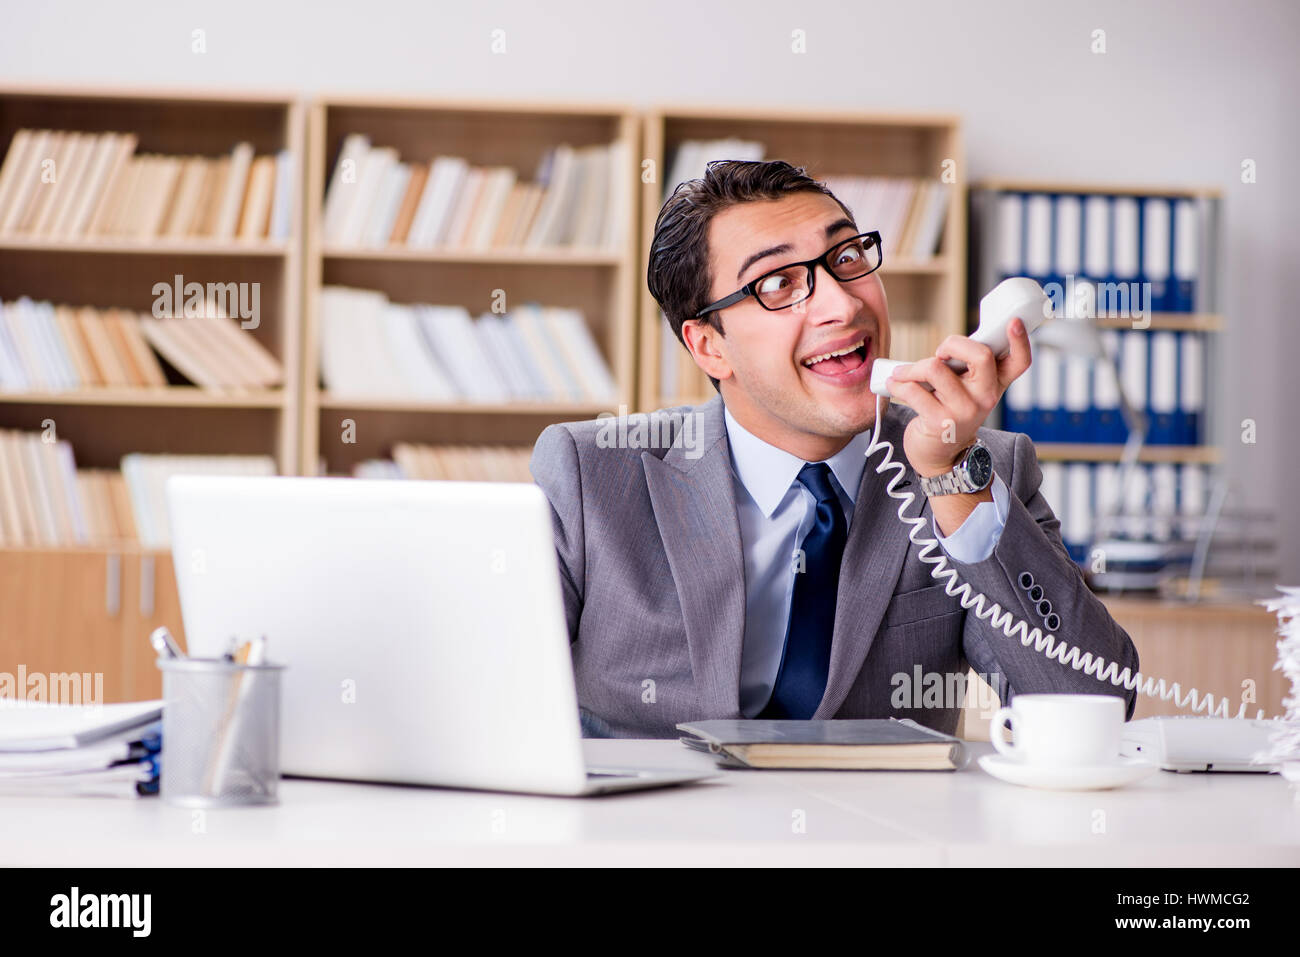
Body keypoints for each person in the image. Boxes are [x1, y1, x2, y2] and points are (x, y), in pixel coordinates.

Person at [531, 159, 1139, 738]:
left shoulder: (977, 467)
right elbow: (481, 701)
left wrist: (953, 477)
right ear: (709, 346)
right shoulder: (591, 475)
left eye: (847, 258)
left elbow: (1092, 706)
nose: (844, 304)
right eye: (778, 283)